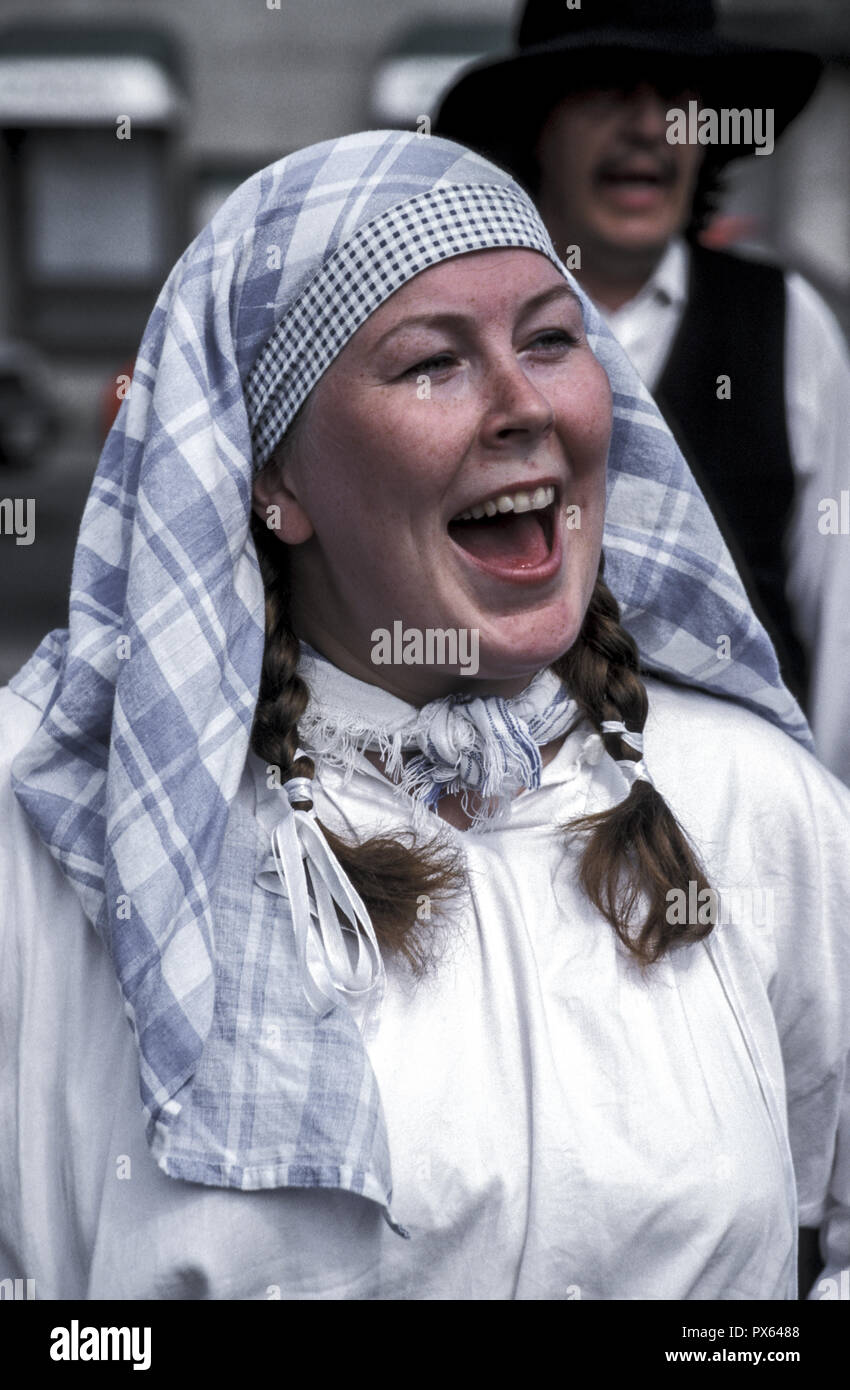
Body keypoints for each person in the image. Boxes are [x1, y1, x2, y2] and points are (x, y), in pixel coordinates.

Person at [0, 129, 848, 1302]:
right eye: (431, 364)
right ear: (272, 480)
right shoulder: (73, 838)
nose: (522, 406)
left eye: (552, 340)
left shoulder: (749, 805)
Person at [435, 0, 850, 788]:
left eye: (678, 98)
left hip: (746, 822)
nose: (648, 126)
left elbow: (840, 624)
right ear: (539, 127)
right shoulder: (455, 329)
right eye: (604, 90)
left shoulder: (785, 322)